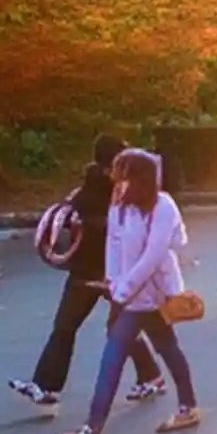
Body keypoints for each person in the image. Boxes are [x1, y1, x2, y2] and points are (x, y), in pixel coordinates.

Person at [9, 136, 165, 415]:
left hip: (115, 272)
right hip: (88, 268)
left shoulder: (130, 188)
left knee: (117, 327)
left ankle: (150, 375)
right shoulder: (97, 185)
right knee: (66, 326)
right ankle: (46, 386)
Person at [57, 149, 200, 434]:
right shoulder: (120, 205)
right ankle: (91, 429)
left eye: (122, 174)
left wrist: (123, 291)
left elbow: (153, 255)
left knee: (155, 352)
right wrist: (112, 280)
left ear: (140, 178)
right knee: (133, 355)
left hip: (156, 295)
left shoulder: (163, 207)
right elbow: (113, 243)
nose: (115, 179)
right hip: (130, 297)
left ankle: (186, 409)